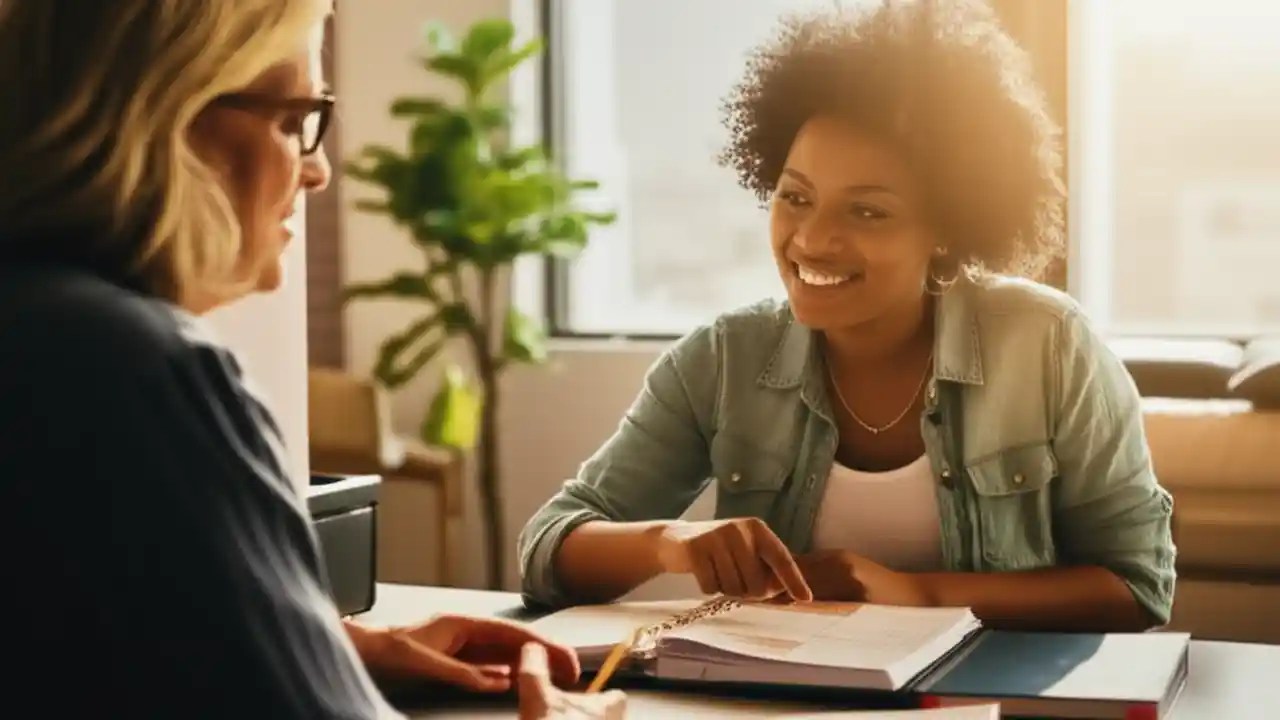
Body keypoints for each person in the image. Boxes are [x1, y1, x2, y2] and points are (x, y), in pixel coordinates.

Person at [0, 2, 624, 718]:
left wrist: (326, 646)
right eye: (296, 121)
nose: (320, 169)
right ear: (169, 113)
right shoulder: (145, 373)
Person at [519, 0, 1176, 634]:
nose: (811, 239)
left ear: (946, 226)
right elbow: (549, 547)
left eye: (867, 212)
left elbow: (1135, 586)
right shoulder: (722, 361)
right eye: (796, 197)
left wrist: (915, 594)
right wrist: (672, 543)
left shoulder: (1049, 347)